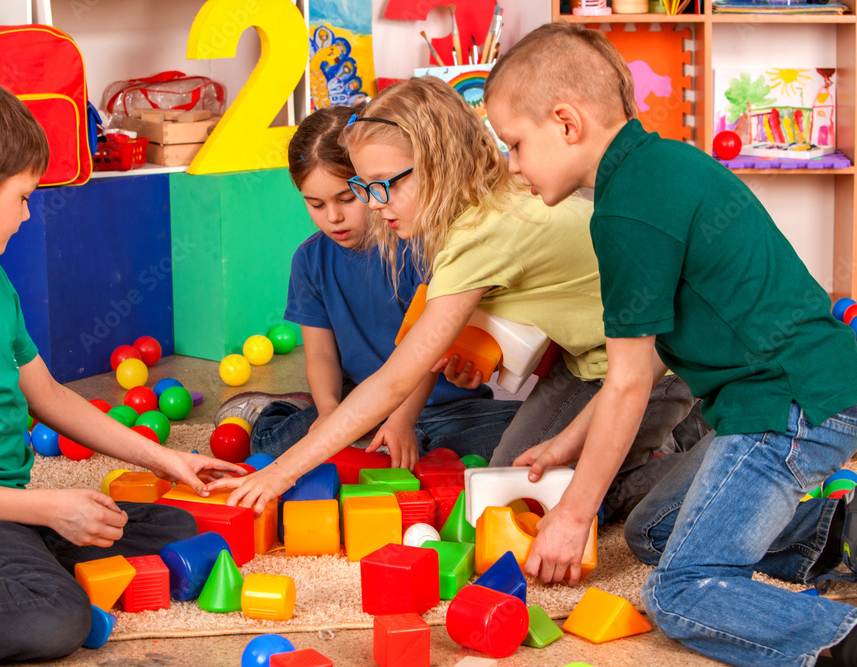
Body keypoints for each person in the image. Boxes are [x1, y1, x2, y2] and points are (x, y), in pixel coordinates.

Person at [482, 22, 857, 667]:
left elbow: (628, 382)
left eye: (516, 145)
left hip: (785, 408)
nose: (513, 167)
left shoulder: (623, 212)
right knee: (655, 533)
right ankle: (836, 536)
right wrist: (569, 441)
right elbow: (652, 353)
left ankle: (836, 639)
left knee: (683, 591)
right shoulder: (667, 164)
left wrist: (574, 514)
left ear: (567, 124)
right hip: (798, 392)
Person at [0, 79, 242, 665]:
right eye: (24, 197)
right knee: (55, 612)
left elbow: (48, 395)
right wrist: (47, 509)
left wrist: (170, 460)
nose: (28, 213)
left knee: (176, 529)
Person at [209, 76, 703, 527]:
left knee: (574, 496)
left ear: (438, 162)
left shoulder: (478, 236)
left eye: (383, 186)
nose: (375, 204)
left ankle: (705, 449)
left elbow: (395, 379)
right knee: (508, 478)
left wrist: (276, 476)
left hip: (652, 365)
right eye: (365, 187)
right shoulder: (467, 213)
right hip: (586, 363)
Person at [214, 105, 522, 470]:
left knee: (512, 447)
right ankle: (287, 408)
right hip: (362, 405)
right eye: (316, 204)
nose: (333, 217)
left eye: (347, 198)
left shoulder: (418, 246)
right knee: (273, 442)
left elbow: (423, 355)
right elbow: (320, 355)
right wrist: (328, 411)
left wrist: (403, 420)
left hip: (447, 408)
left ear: (373, 182)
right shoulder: (309, 260)